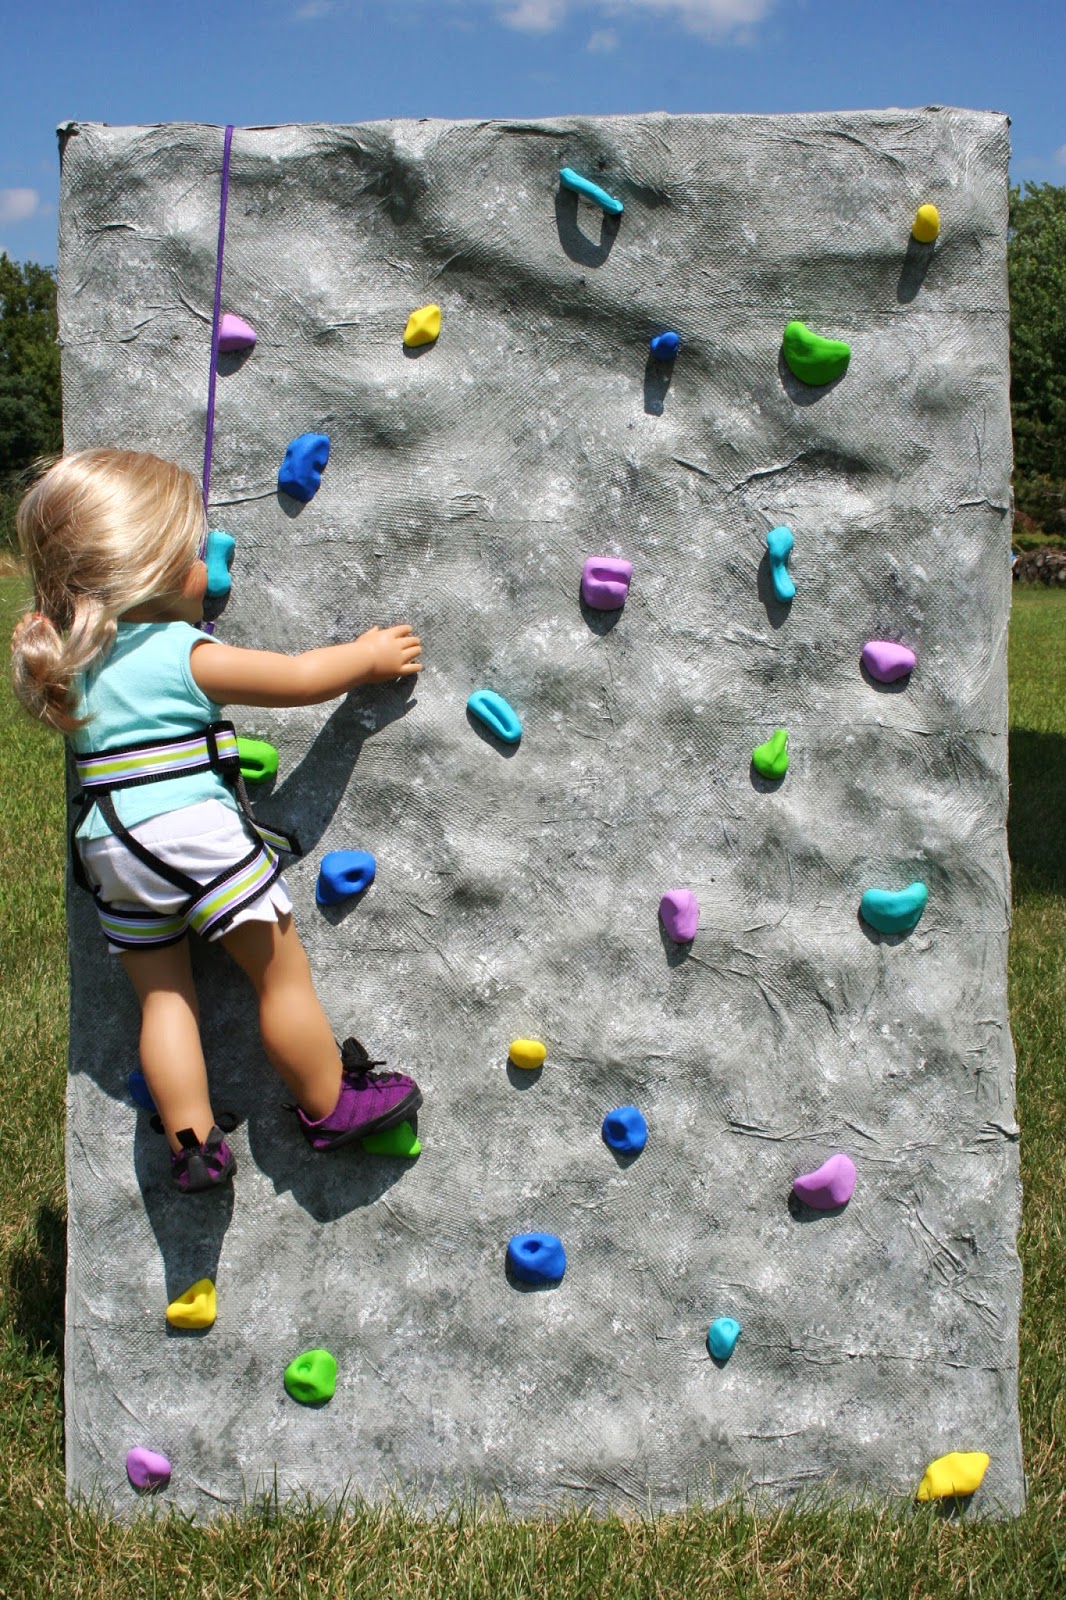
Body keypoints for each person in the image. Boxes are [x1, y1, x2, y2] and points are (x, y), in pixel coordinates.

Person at [10, 448, 424, 1193]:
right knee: (278, 972)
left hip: (110, 846)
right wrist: (366, 657)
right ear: (154, 570)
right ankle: (329, 1103)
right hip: (190, 833)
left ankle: (194, 1145)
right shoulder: (177, 650)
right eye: (195, 552)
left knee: (164, 997)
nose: (208, 568)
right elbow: (296, 679)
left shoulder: (70, 663)